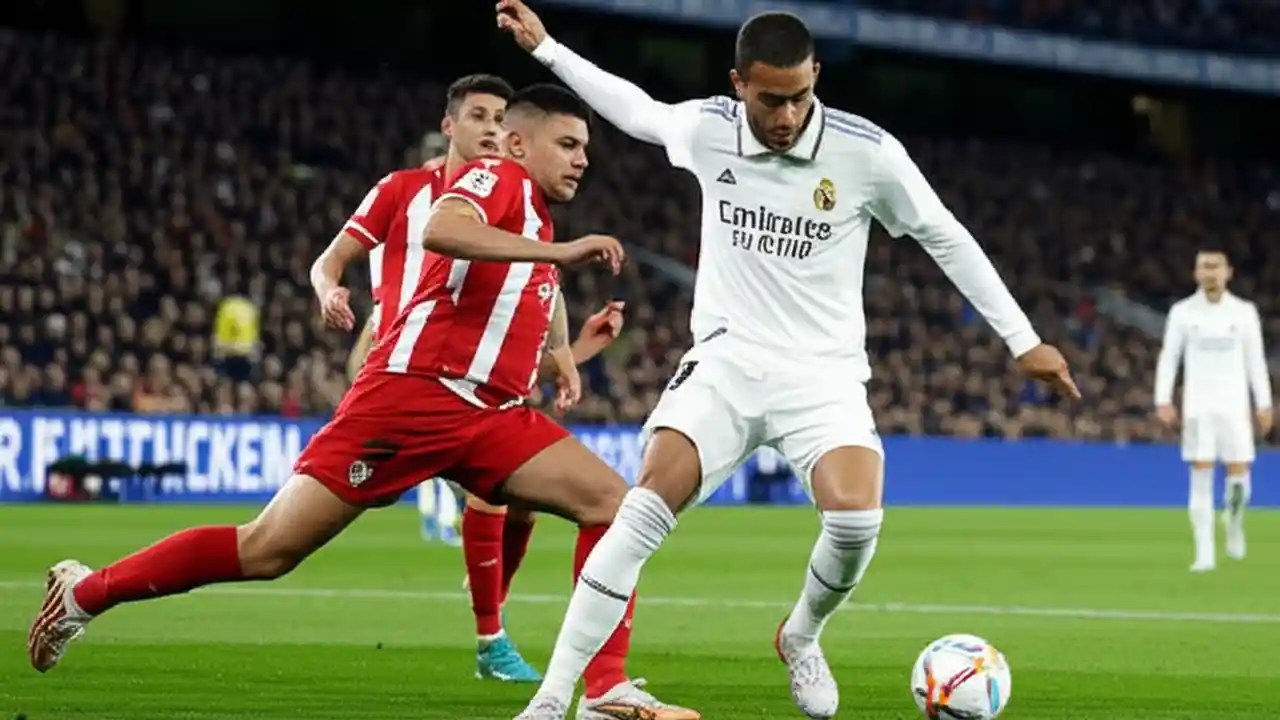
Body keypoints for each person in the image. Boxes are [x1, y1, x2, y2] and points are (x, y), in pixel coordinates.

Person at [28, 83, 698, 720]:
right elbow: (442, 227)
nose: (583, 159)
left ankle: (606, 686)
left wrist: (571, 352)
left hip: (487, 415)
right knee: (267, 550)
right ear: (519, 144)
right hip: (411, 401)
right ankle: (85, 592)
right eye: (569, 144)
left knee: (615, 506)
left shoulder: (531, 222)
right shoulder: (501, 182)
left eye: (586, 148)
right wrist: (562, 250)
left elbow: (502, 352)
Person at [497, 5, 1080, 719]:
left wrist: (1022, 339)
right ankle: (553, 701)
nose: (787, 114)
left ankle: (801, 636)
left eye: (801, 95)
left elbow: (945, 236)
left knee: (858, 520)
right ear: (739, 83)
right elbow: (638, 111)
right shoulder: (710, 128)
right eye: (770, 98)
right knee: (643, 506)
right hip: (727, 362)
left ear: (816, 79)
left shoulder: (866, 153)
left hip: (824, 374)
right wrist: (549, 48)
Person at [308, 74, 626, 682]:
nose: (490, 126)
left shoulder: (525, 210)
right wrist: (329, 290)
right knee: (271, 548)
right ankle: (494, 626)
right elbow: (337, 258)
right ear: (452, 126)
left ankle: (495, 634)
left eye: (499, 116)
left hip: (470, 375)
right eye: (479, 115)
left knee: (529, 501)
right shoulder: (410, 191)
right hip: (403, 361)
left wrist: (570, 350)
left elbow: (542, 295)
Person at [1155, 249, 1272, 572]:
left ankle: (1234, 522)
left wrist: (1264, 403)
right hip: (1198, 406)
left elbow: (1255, 360)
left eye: (1215, 267)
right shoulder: (1182, 312)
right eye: (1204, 267)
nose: (1210, 273)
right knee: (1200, 475)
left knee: (1238, 481)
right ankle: (1204, 553)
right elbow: (1169, 357)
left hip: (1234, 406)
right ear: (1196, 273)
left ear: (1228, 272)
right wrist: (1162, 399)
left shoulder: (1244, 312)